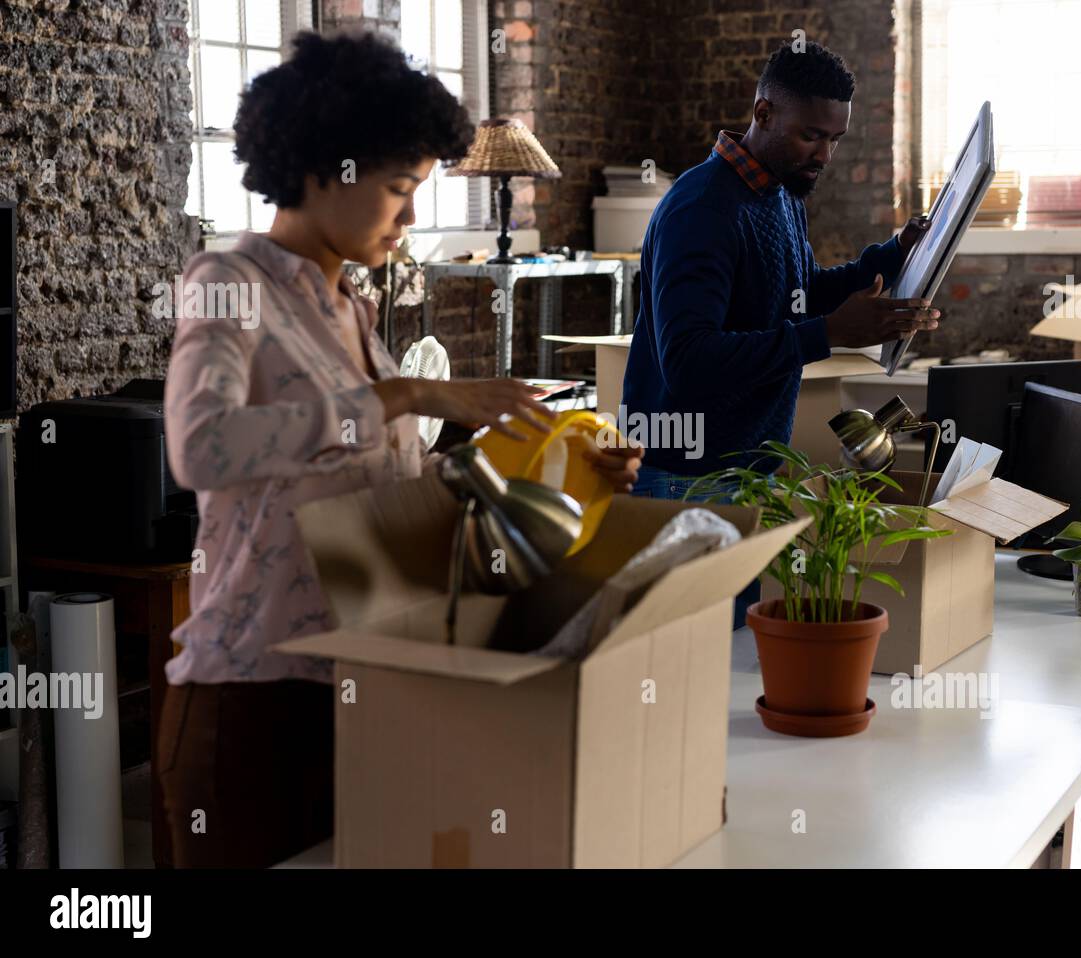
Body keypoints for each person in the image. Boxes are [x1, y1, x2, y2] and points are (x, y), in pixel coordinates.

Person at [159, 30, 640, 868]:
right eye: (397, 188)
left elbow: (386, 494)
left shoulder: (350, 309)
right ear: (321, 171)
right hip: (253, 701)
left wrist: (565, 473)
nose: (412, 216)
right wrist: (408, 395)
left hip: (367, 681)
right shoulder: (228, 282)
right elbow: (199, 450)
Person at [620, 40, 940, 624]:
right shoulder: (702, 209)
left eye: (835, 139)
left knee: (738, 662)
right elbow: (689, 363)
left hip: (741, 473)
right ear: (763, 114)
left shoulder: (780, 191)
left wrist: (892, 256)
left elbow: (794, 292)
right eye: (811, 135)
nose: (825, 154)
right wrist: (826, 334)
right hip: (688, 479)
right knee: (698, 667)